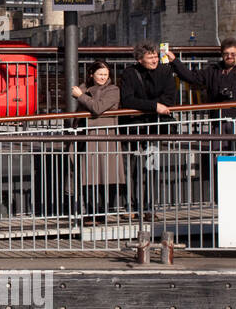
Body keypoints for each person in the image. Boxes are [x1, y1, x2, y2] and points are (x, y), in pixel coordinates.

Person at [119, 42, 178, 214]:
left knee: (152, 167)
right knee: (131, 168)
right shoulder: (130, 73)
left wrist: (149, 105)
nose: (154, 60)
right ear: (139, 59)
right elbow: (128, 99)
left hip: (153, 127)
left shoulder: (165, 71)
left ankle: (149, 206)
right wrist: (154, 105)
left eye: (155, 56)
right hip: (133, 127)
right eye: (150, 57)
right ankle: (131, 205)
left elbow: (169, 98)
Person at [70, 60, 124, 216]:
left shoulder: (113, 90)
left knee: (105, 174)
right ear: (91, 74)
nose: (102, 77)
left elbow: (98, 107)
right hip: (86, 136)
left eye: (105, 74)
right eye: (100, 74)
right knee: (87, 174)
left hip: (104, 136)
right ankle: (90, 210)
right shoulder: (84, 88)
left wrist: (81, 96)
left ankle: (102, 211)